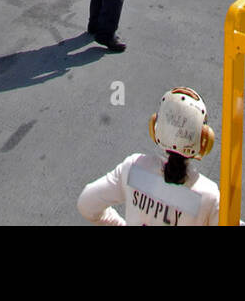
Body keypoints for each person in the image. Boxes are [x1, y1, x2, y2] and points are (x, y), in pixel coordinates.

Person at [77, 86, 219, 226]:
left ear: (156, 128)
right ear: (203, 139)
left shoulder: (134, 167)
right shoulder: (208, 196)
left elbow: (86, 204)